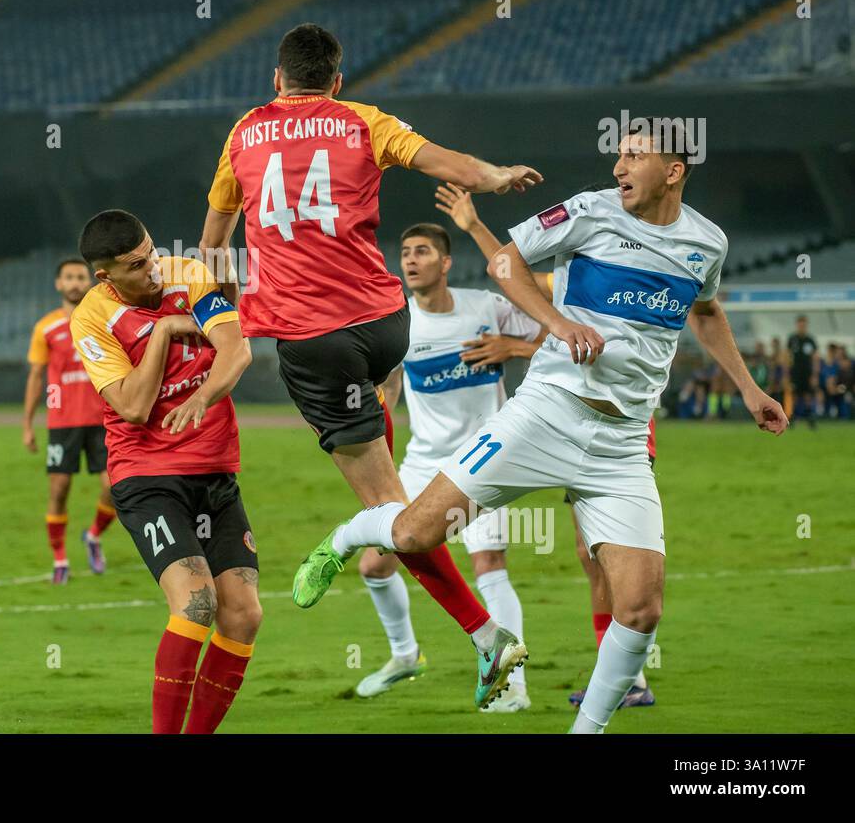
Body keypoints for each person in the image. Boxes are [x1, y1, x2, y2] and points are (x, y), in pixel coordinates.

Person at [297, 121, 788, 733]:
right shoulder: (589, 211)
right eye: (619, 154)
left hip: (623, 443)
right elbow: (506, 259)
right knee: (418, 533)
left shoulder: (705, 242)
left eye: (635, 155)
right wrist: (555, 324)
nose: (619, 167)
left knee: (641, 607)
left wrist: (747, 386)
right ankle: (349, 535)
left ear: (674, 170)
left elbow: (707, 310)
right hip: (549, 413)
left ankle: (589, 729)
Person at [197, 22, 542, 709]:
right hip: (387, 326)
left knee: (390, 514)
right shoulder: (364, 120)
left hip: (312, 339)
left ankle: (479, 632)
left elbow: (214, 244)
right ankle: (413, 620)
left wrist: (223, 319)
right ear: (337, 80)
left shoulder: (243, 134)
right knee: (386, 472)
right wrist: (497, 176)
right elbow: (455, 168)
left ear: (276, 79)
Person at [437, 182, 658, 710]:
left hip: (617, 421)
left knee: (597, 551)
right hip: (566, 412)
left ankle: (630, 676)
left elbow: (700, 311)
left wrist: (514, 346)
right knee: (590, 555)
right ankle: (625, 673)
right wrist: (472, 225)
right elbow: (509, 267)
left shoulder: (610, 273)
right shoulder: (568, 278)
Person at [71, 210, 260, 734]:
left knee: (243, 615)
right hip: (147, 473)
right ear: (106, 276)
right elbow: (131, 406)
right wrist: (164, 333)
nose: (155, 268)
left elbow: (236, 348)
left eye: (153, 251)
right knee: (197, 603)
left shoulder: (188, 274)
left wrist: (203, 395)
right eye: (138, 264)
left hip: (214, 465)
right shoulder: (90, 318)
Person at [355, 217, 546, 709]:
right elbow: (391, 386)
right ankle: (405, 656)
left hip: (487, 456)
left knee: (488, 565)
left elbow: (557, 335)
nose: (411, 261)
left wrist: (514, 348)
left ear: (445, 262)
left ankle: (514, 687)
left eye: (422, 252)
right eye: (405, 253)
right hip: (423, 461)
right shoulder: (399, 321)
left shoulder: (487, 306)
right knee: (375, 564)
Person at [23, 258, 115, 583]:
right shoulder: (45, 328)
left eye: (80, 276)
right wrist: (28, 425)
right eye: (68, 277)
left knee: (114, 487)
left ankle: (92, 535)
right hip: (62, 422)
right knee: (59, 489)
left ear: (89, 282)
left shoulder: (104, 321)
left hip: (104, 418)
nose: (75, 282)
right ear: (58, 284)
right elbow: (36, 376)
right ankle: (60, 559)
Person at [785, 316, 821, 428]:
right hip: (795, 373)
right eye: (800, 324)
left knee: (808, 395)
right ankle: (792, 418)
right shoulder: (792, 339)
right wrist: (786, 374)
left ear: (806, 325)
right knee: (794, 395)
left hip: (807, 373)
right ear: (797, 325)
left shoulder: (810, 340)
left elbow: (815, 358)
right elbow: (787, 356)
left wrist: (815, 375)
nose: (802, 327)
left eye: (804, 325)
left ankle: (810, 418)